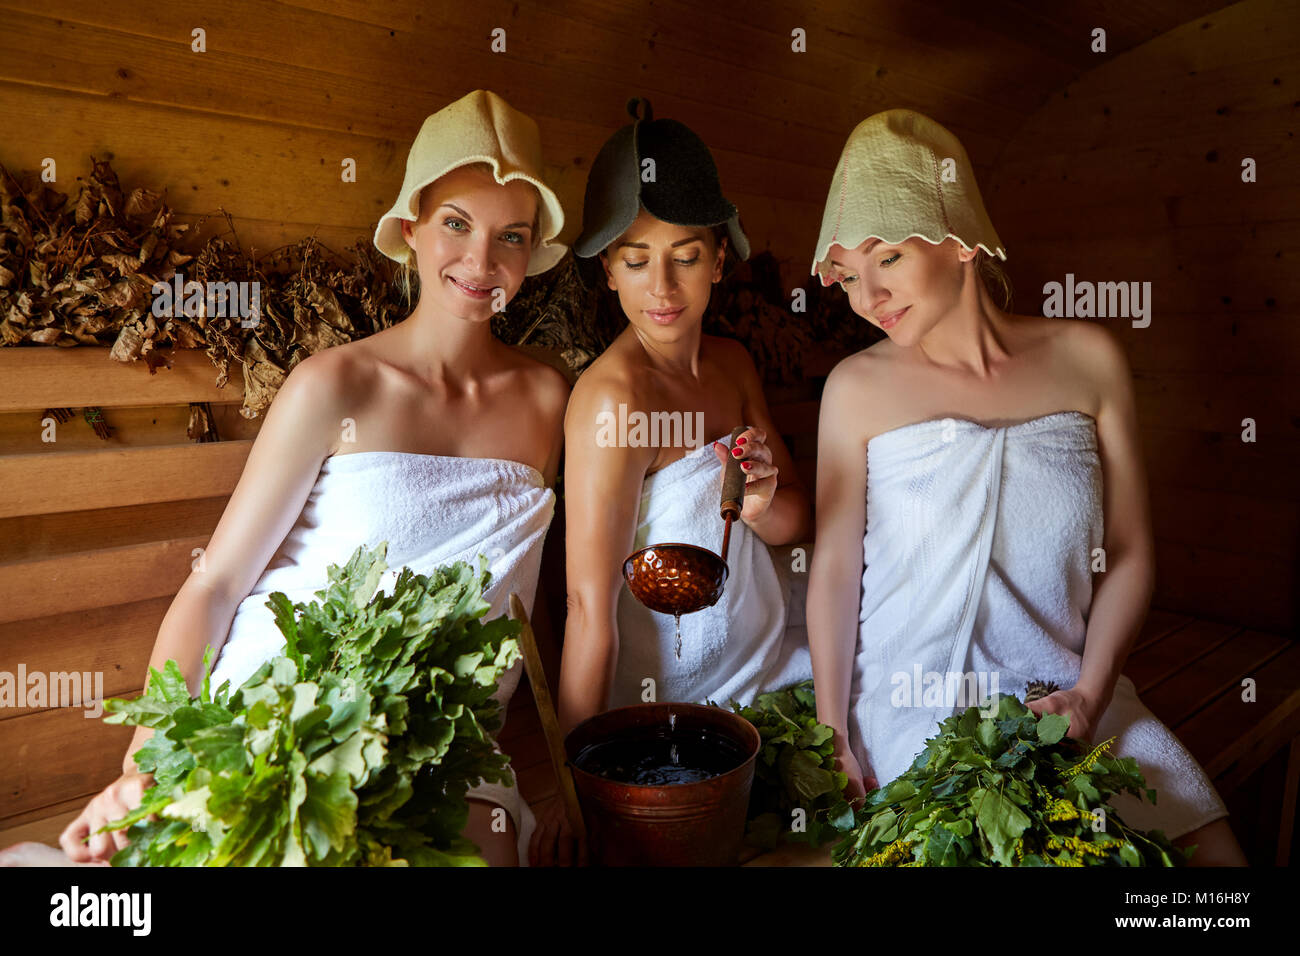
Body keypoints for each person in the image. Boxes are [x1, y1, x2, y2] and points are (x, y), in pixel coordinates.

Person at [58, 90, 570, 867]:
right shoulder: (336, 386)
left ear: (532, 254)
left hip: (442, 743)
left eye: (512, 237)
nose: (481, 261)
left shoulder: (549, 398)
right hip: (281, 708)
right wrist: (145, 762)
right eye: (456, 224)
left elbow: (547, 603)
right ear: (410, 231)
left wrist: (571, 780)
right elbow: (218, 584)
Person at [805, 108, 1246, 865]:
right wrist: (833, 735)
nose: (866, 297)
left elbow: (1132, 551)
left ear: (960, 239)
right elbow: (837, 568)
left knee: (1212, 860)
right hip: (919, 700)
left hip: (1068, 695)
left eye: (886, 259)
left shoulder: (1088, 359)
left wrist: (1093, 694)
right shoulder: (856, 389)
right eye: (846, 275)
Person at [529, 98, 813, 866]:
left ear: (720, 259)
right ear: (606, 268)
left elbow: (794, 525)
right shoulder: (613, 402)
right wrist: (572, 782)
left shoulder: (733, 364)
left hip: (769, 659)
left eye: (685, 255)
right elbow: (588, 605)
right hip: (670, 699)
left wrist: (759, 500)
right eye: (634, 257)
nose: (662, 285)